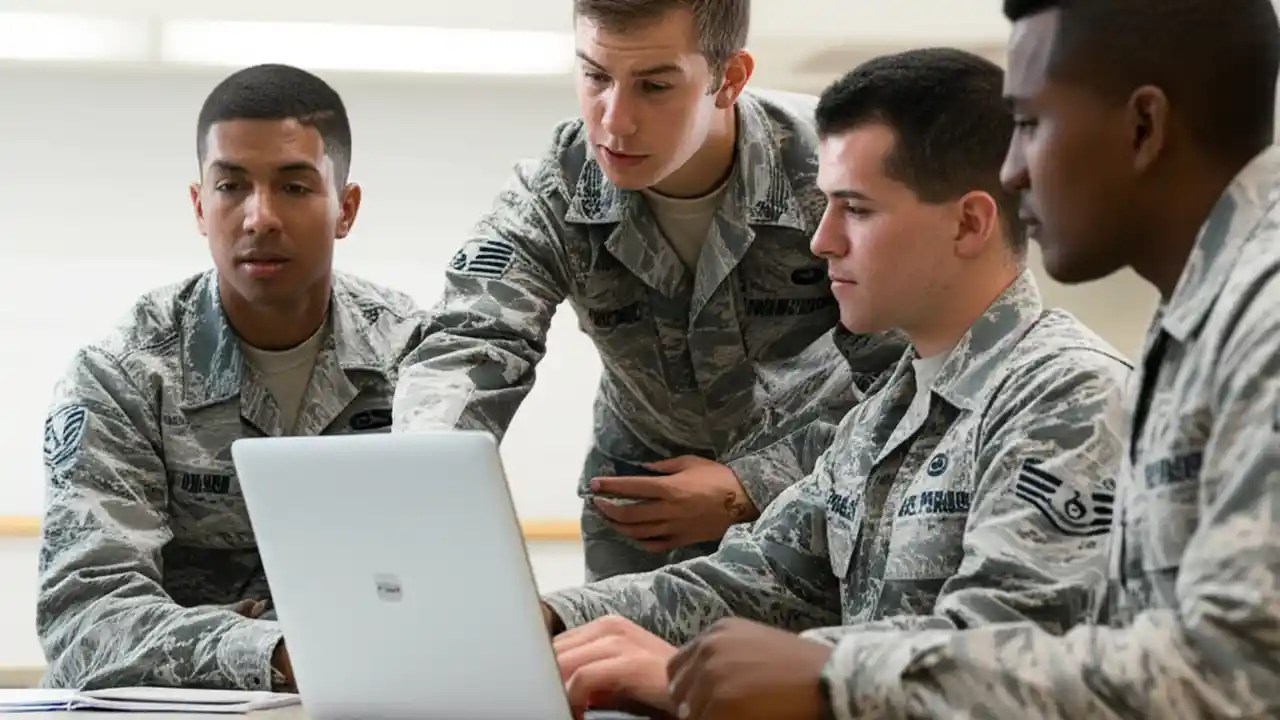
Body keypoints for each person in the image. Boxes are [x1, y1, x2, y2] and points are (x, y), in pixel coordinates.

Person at [650, 1, 1280, 718]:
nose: (1011, 172)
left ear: (1143, 127)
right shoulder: (1206, 322)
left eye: (1032, 125)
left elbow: (1237, 674)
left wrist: (836, 677)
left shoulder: (1261, 324)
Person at [538, 48, 1135, 719]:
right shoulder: (885, 413)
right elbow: (763, 578)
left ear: (969, 222)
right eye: (824, 206)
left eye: (855, 209)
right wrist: (552, 619)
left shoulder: (1070, 398)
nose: (821, 240)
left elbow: (1000, 666)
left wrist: (690, 678)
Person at [391, 0, 905, 581]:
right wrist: (421, 475)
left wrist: (757, 484)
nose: (614, 121)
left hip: (819, 494)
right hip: (644, 508)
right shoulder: (555, 194)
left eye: (654, 86)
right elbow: (471, 339)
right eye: (595, 77)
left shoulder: (831, 171)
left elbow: (910, 380)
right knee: (612, 664)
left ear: (728, 79)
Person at [36, 63, 430, 692]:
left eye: (295, 187)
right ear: (199, 205)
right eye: (231, 187)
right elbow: (84, 618)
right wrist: (280, 653)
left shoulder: (416, 360)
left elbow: (449, 575)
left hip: (368, 698)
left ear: (345, 209)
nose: (259, 217)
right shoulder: (122, 375)